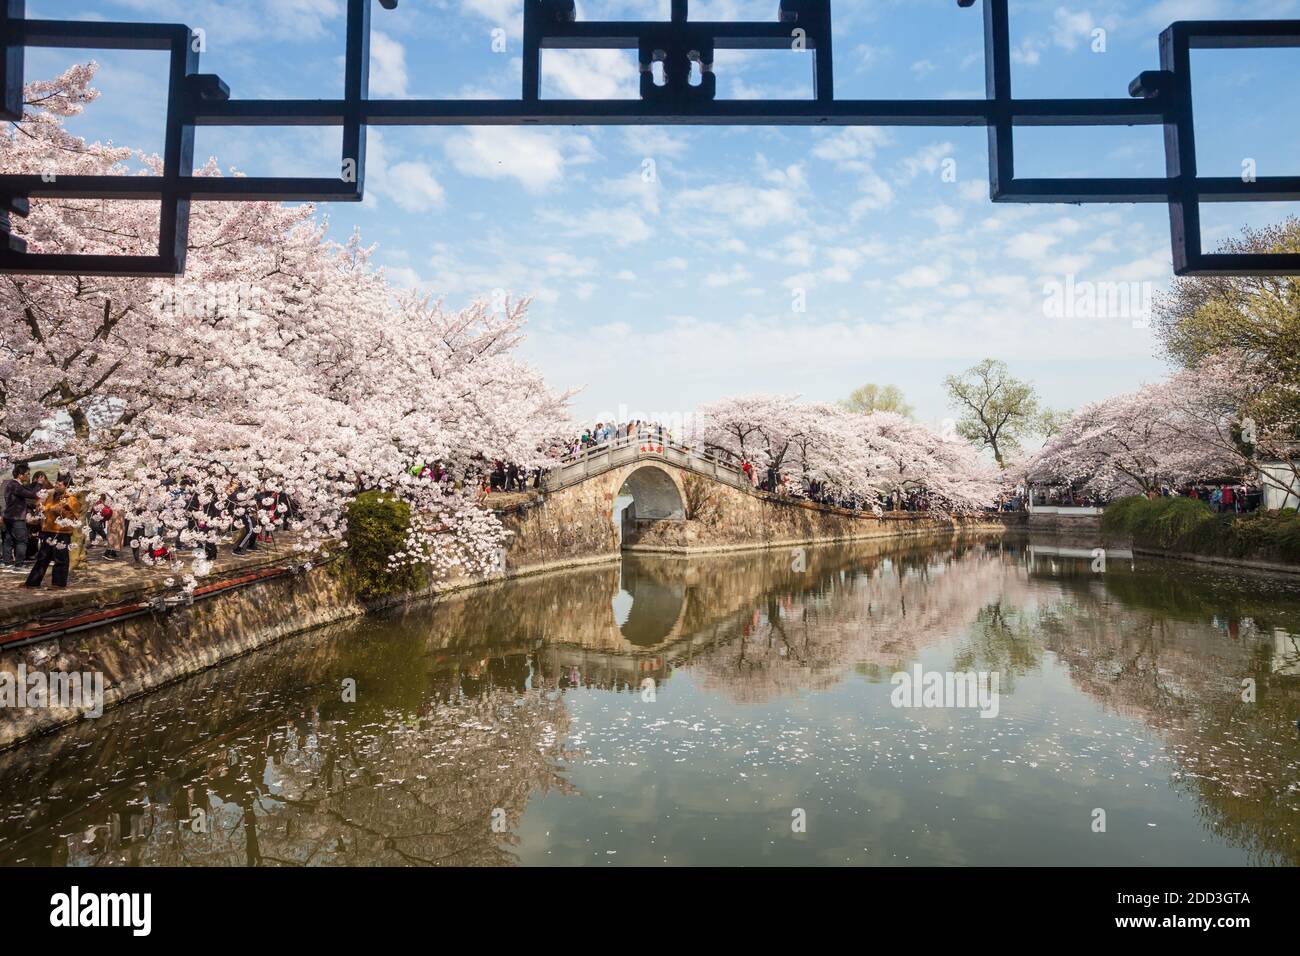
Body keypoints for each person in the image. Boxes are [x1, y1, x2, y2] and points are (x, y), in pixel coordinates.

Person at [23, 474, 81, 590]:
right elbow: (41, 505)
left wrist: (58, 510)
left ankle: (59, 584)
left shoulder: (71, 499)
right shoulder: (50, 495)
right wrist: (40, 506)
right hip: (48, 529)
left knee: (61, 559)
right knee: (42, 557)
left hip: (62, 532)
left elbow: (73, 516)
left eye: (60, 484)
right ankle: (32, 582)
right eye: (56, 483)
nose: (56, 485)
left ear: (66, 486)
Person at [1, 463, 39, 569]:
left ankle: (6, 562)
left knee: (8, 539)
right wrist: (38, 490)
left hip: (9, 516)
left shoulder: (13, 485)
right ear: (20, 475)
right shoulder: (14, 485)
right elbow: (28, 494)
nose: (28, 476)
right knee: (21, 540)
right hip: (16, 517)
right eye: (27, 474)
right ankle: (19, 564)